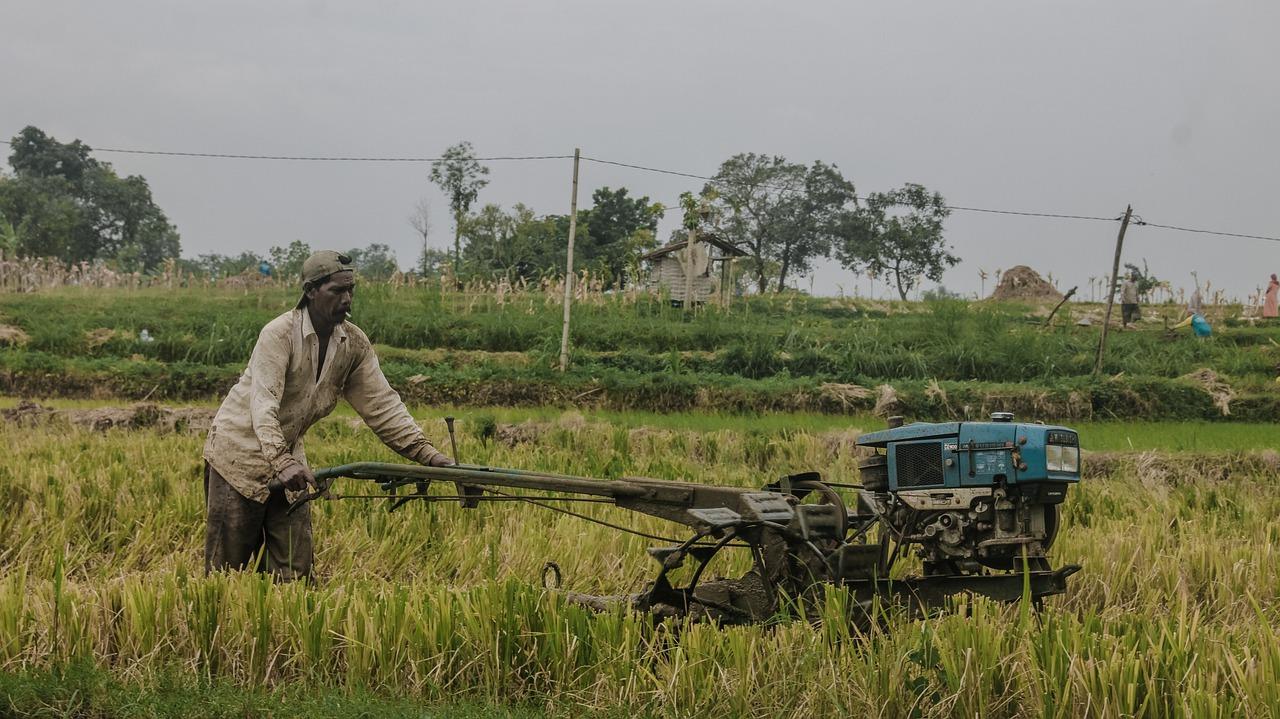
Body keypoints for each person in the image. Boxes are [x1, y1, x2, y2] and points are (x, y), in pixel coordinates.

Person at [202, 250, 454, 581]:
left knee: (294, 573)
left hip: (290, 461)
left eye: (351, 291)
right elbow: (264, 405)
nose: (347, 299)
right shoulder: (279, 334)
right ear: (310, 291)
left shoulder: (353, 344)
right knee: (226, 573)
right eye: (337, 291)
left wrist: (430, 456)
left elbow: (382, 406)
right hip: (238, 458)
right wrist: (282, 461)